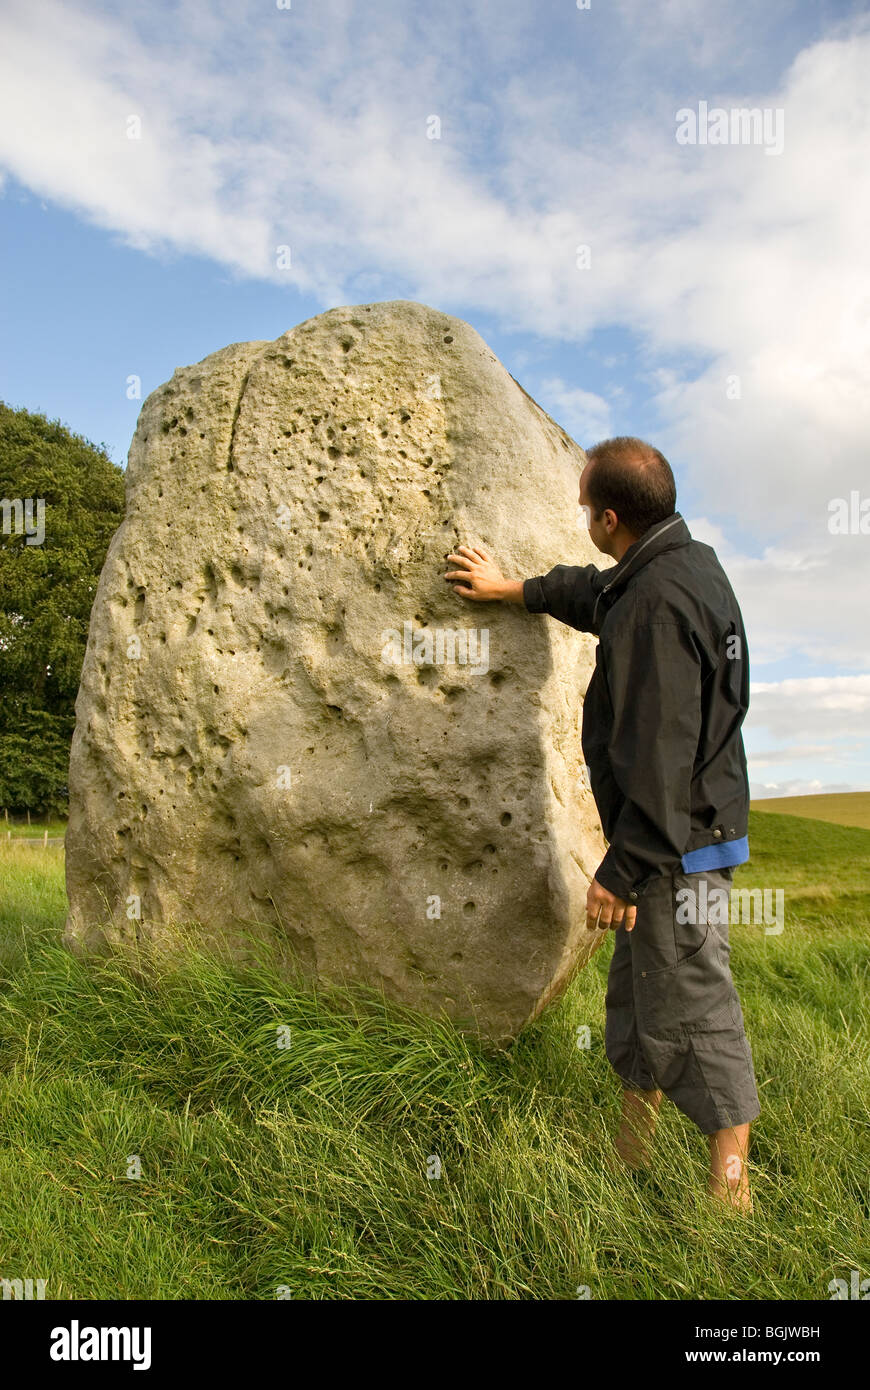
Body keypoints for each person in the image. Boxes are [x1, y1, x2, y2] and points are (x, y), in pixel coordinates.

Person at [444, 435, 761, 1211]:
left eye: (587, 508)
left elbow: (658, 749)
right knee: (640, 997)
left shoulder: (655, 607)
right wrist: (511, 589)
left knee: (692, 1003)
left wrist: (624, 867)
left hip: (673, 848)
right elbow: (598, 591)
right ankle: (631, 1155)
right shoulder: (680, 565)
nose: (584, 519)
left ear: (610, 515)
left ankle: (732, 1190)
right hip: (678, 836)